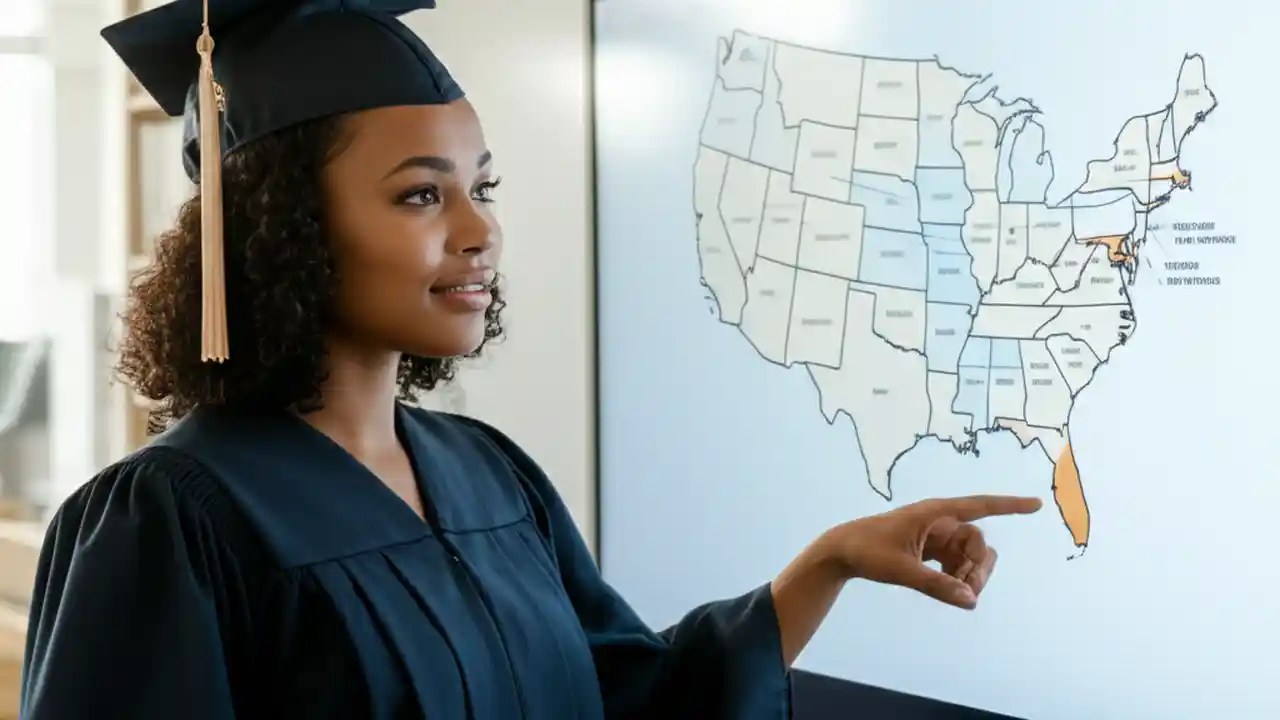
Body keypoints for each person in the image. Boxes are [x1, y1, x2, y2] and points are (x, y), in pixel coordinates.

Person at [18, 1, 1043, 718]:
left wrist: (828, 563)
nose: (479, 232)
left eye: (483, 188)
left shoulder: (487, 474)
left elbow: (632, 697)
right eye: (422, 195)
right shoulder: (170, 522)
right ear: (283, 230)